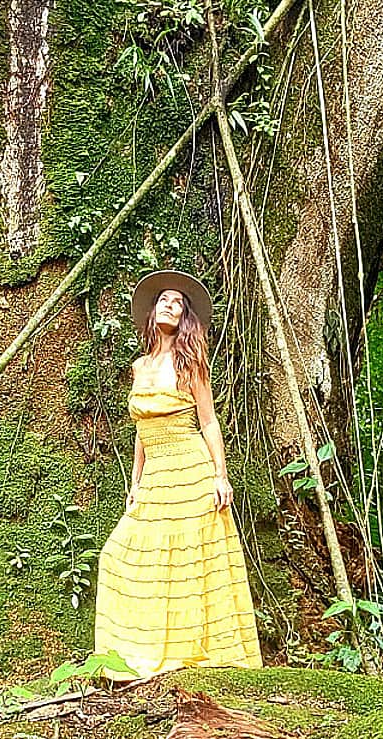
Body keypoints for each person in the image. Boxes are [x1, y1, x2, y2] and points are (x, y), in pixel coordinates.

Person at [94, 269, 263, 680]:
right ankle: (140, 650)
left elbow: (208, 422)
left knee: (192, 563)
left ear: (184, 318)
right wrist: (134, 484)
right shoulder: (138, 367)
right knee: (119, 556)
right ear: (153, 312)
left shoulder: (191, 364)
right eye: (165, 299)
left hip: (192, 469)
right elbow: (141, 431)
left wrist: (221, 476)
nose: (170, 305)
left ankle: (190, 656)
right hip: (156, 475)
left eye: (179, 303)